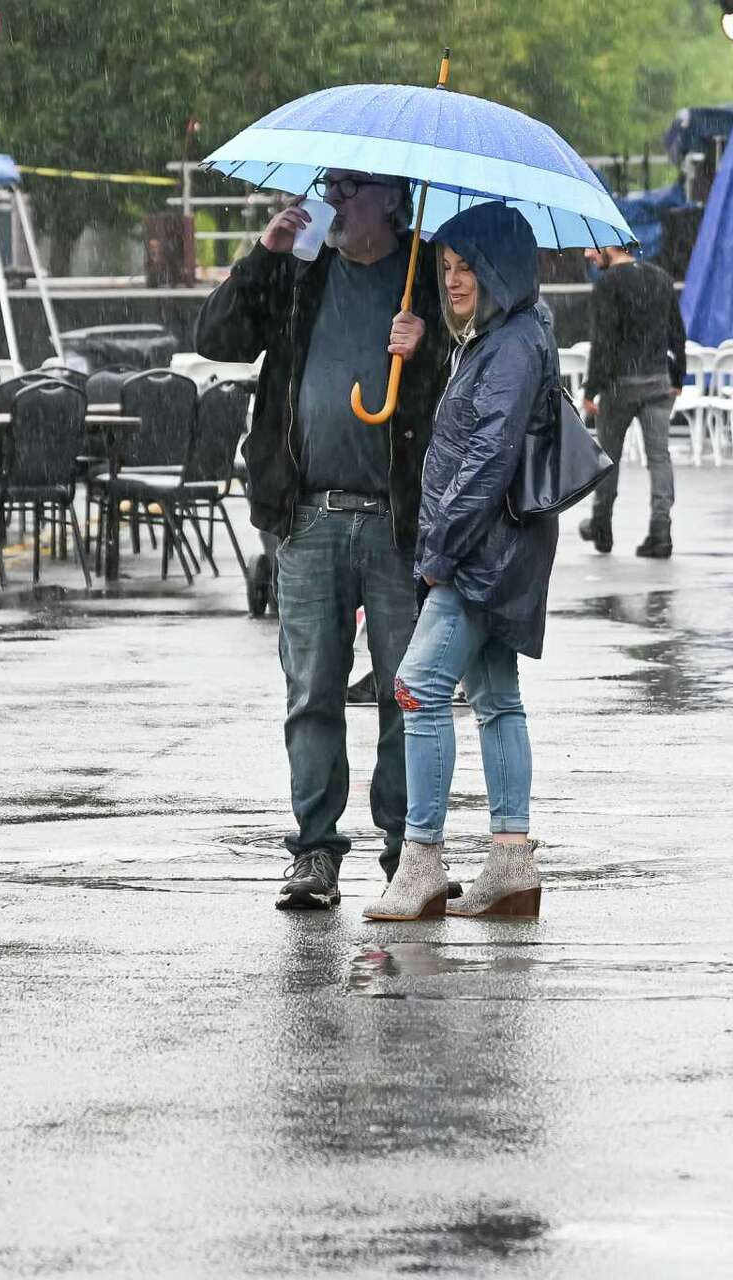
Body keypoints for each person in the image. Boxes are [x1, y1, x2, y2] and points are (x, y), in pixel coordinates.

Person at [197, 170, 447, 910]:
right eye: (330, 186)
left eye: (350, 188)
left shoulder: (425, 277)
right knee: (312, 691)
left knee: (409, 695)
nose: (333, 201)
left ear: (393, 199)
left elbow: (472, 387)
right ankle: (314, 851)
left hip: (399, 522)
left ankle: (406, 852)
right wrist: (262, 256)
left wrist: (427, 346)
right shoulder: (299, 277)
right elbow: (217, 337)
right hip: (307, 518)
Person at [367, 203, 558, 922]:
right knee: (496, 696)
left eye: (468, 266)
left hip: (482, 551)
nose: (453, 279)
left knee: (417, 687)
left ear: (500, 267)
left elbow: (488, 458)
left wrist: (439, 550)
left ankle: (421, 863)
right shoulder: (503, 335)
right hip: (501, 546)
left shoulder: (509, 344)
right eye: (447, 267)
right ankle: (510, 862)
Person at [577, 242, 686, 558]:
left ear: (609, 246)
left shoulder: (607, 285)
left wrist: (590, 389)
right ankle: (661, 532)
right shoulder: (661, 277)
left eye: (590, 248)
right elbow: (676, 330)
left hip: (620, 386)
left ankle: (601, 526)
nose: (586, 255)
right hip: (658, 382)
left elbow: (604, 341)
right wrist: (678, 375)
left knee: (608, 458)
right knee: (659, 458)